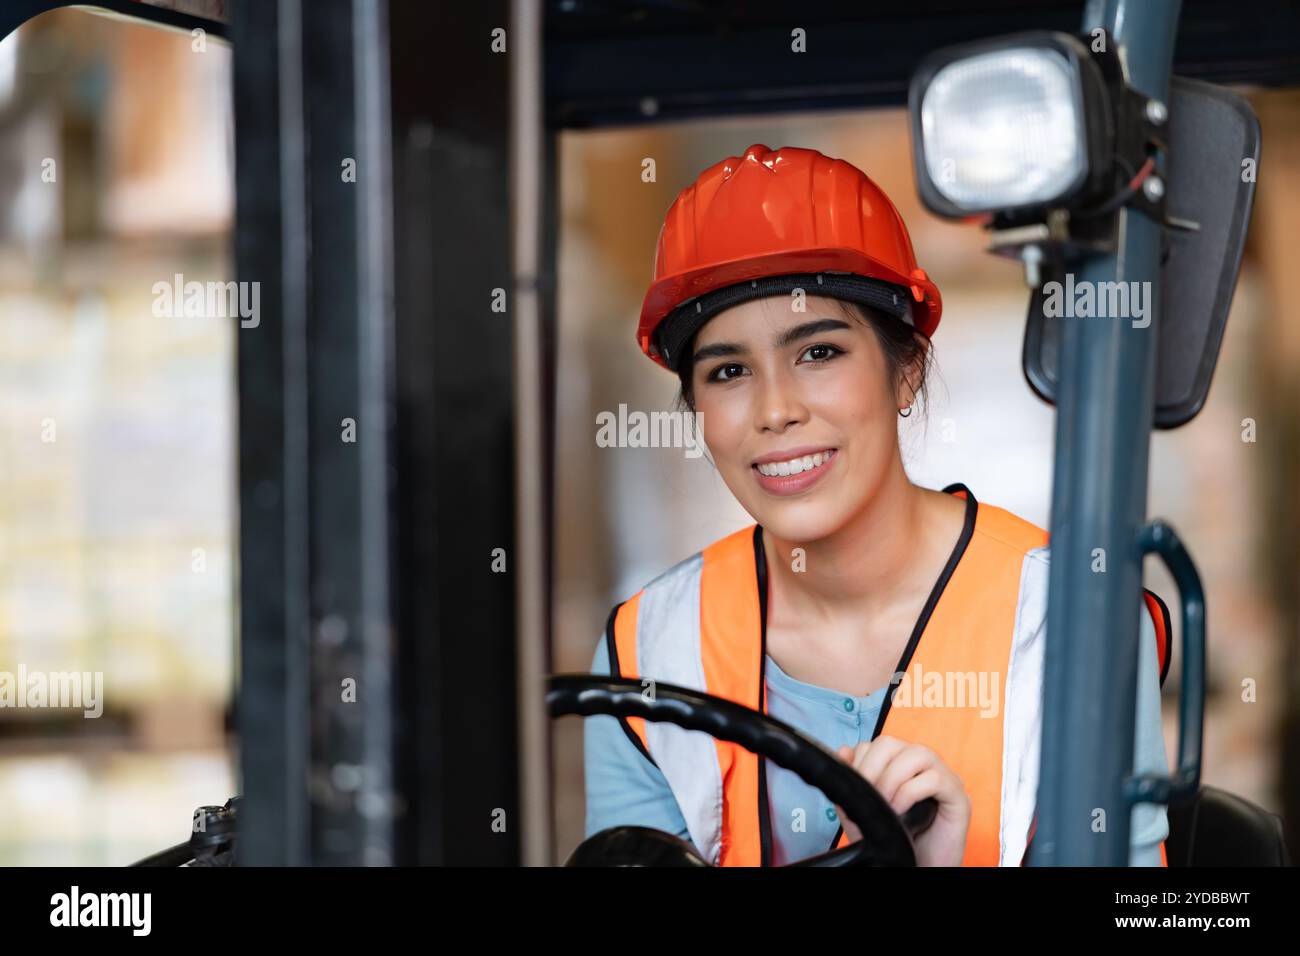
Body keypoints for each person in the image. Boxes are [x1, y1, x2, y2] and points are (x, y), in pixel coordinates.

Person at [583, 143, 1171, 866]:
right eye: (729, 370)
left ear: (907, 372)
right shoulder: (649, 654)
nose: (775, 410)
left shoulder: (1071, 619)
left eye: (819, 352)